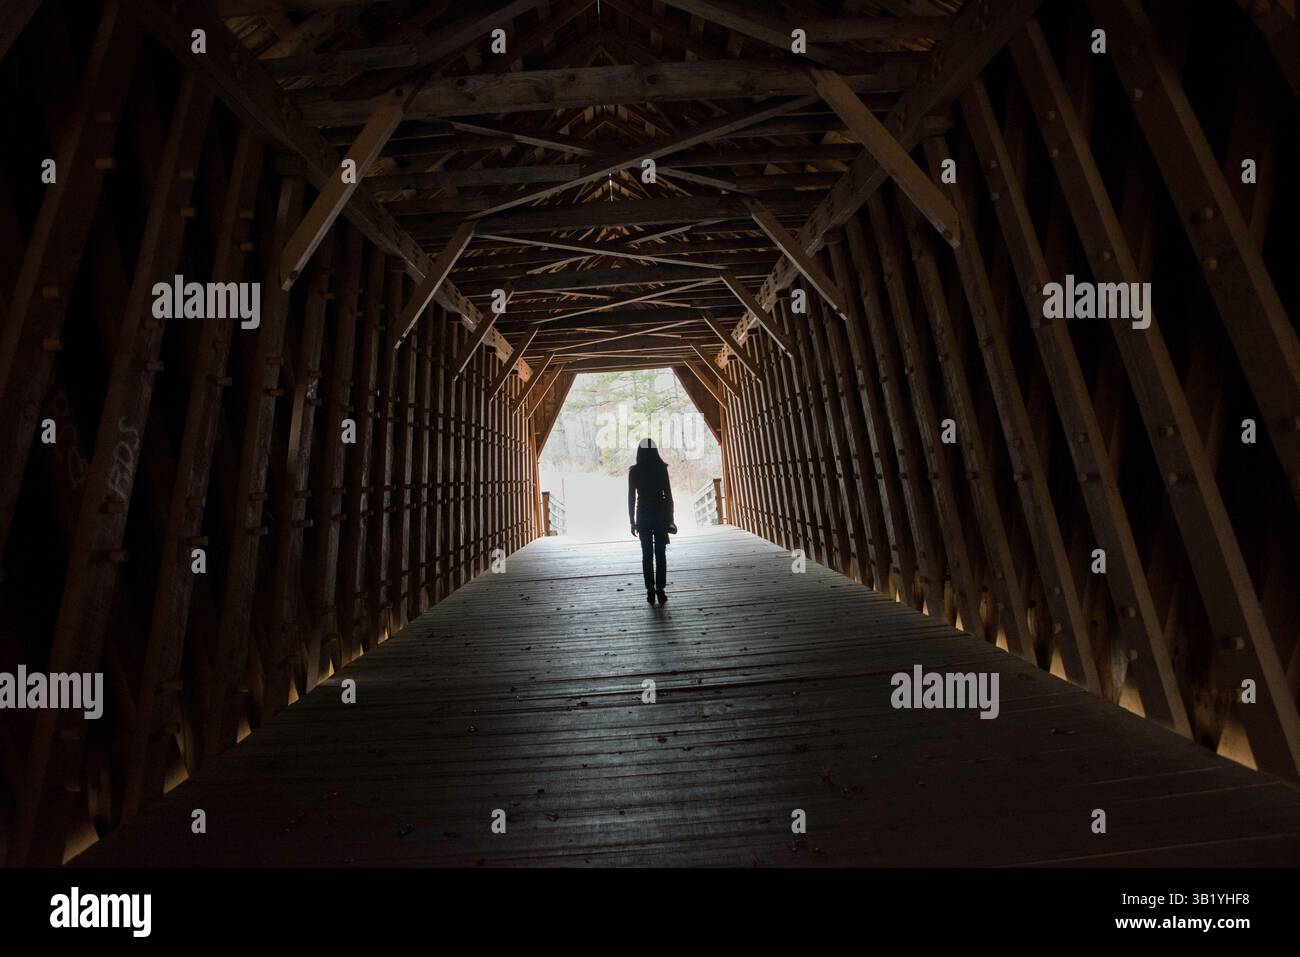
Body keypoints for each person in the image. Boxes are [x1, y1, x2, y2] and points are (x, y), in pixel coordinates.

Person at [628, 438, 676, 604]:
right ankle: (660, 590)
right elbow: (668, 495)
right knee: (660, 554)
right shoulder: (661, 469)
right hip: (660, 515)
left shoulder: (634, 471)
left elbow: (631, 498)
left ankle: (650, 592)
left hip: (643, 515)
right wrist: (671, 518)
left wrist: (632, 521)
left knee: (646, 555)